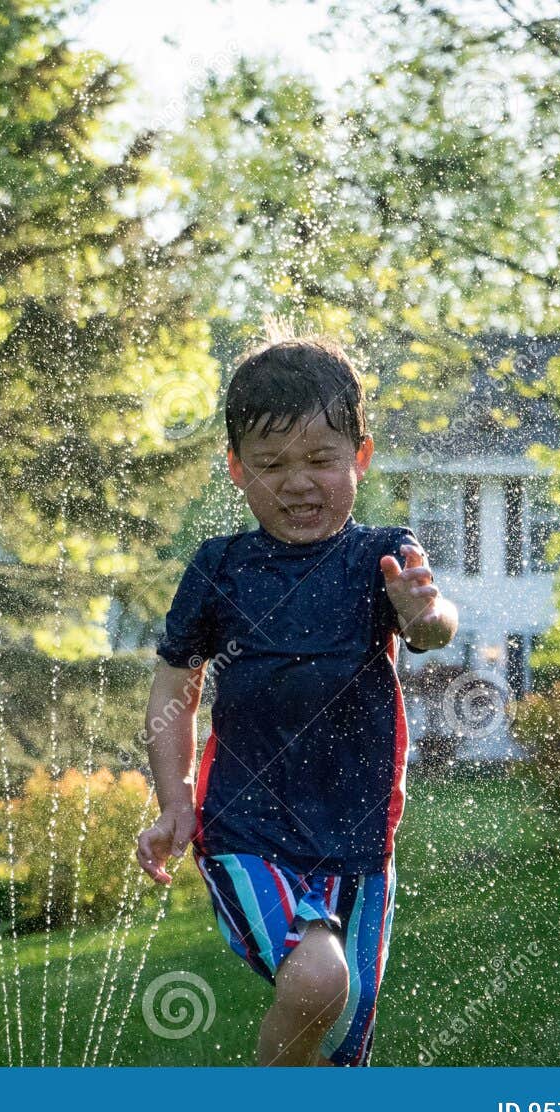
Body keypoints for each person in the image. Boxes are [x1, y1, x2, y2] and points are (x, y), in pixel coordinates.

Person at [135, 335, 458, 1066]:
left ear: (361, 457)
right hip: (246, 827)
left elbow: (436, 627)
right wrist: (175, 795)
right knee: (316, 976)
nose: (298, 482)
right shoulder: (221, 568)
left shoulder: (381, 555)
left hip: (360, 840)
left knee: (344, 1050)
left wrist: (421, 611)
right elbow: (173, 685)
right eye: (273, 464)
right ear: (237, 470)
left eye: (320, 459)